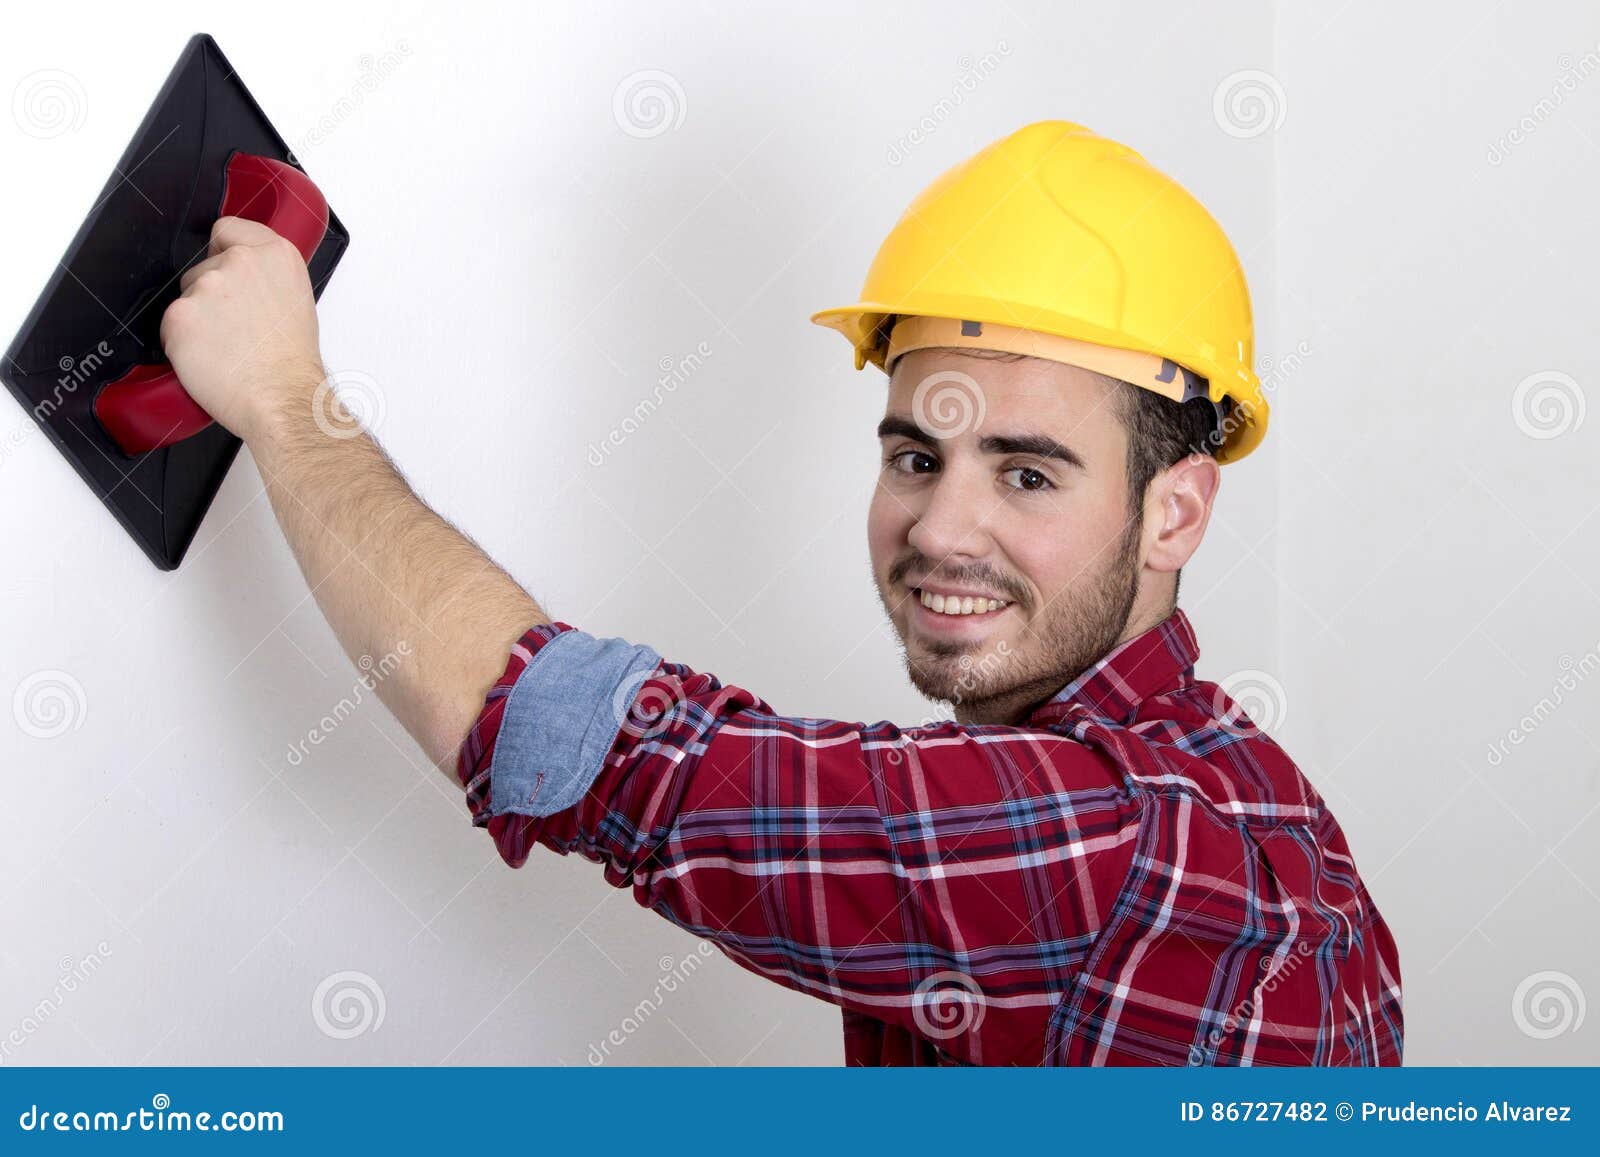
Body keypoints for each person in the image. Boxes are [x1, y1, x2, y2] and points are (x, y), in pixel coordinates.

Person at [159, 120, 1402, 1065]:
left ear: (1175, 507)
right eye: (917, 454)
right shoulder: (1259, 798)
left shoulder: (1121, 837)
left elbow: (587, 745)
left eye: (1027, 471)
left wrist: (282, 401)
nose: (940, 525)